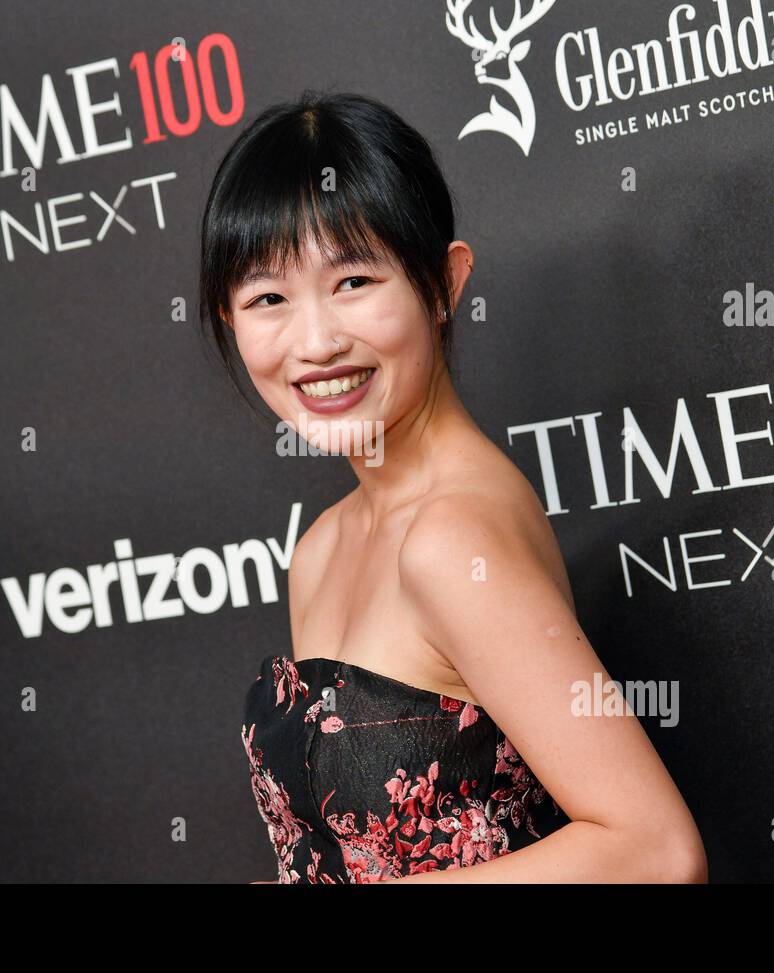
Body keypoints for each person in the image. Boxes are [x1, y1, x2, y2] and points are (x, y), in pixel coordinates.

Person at [199, 90, 707, 884]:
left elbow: (654, 850)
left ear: (443, 281)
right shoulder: (322, 546)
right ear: (232, 321)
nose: (317, 340)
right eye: (268, 298)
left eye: (354, 280)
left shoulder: (452, 537)